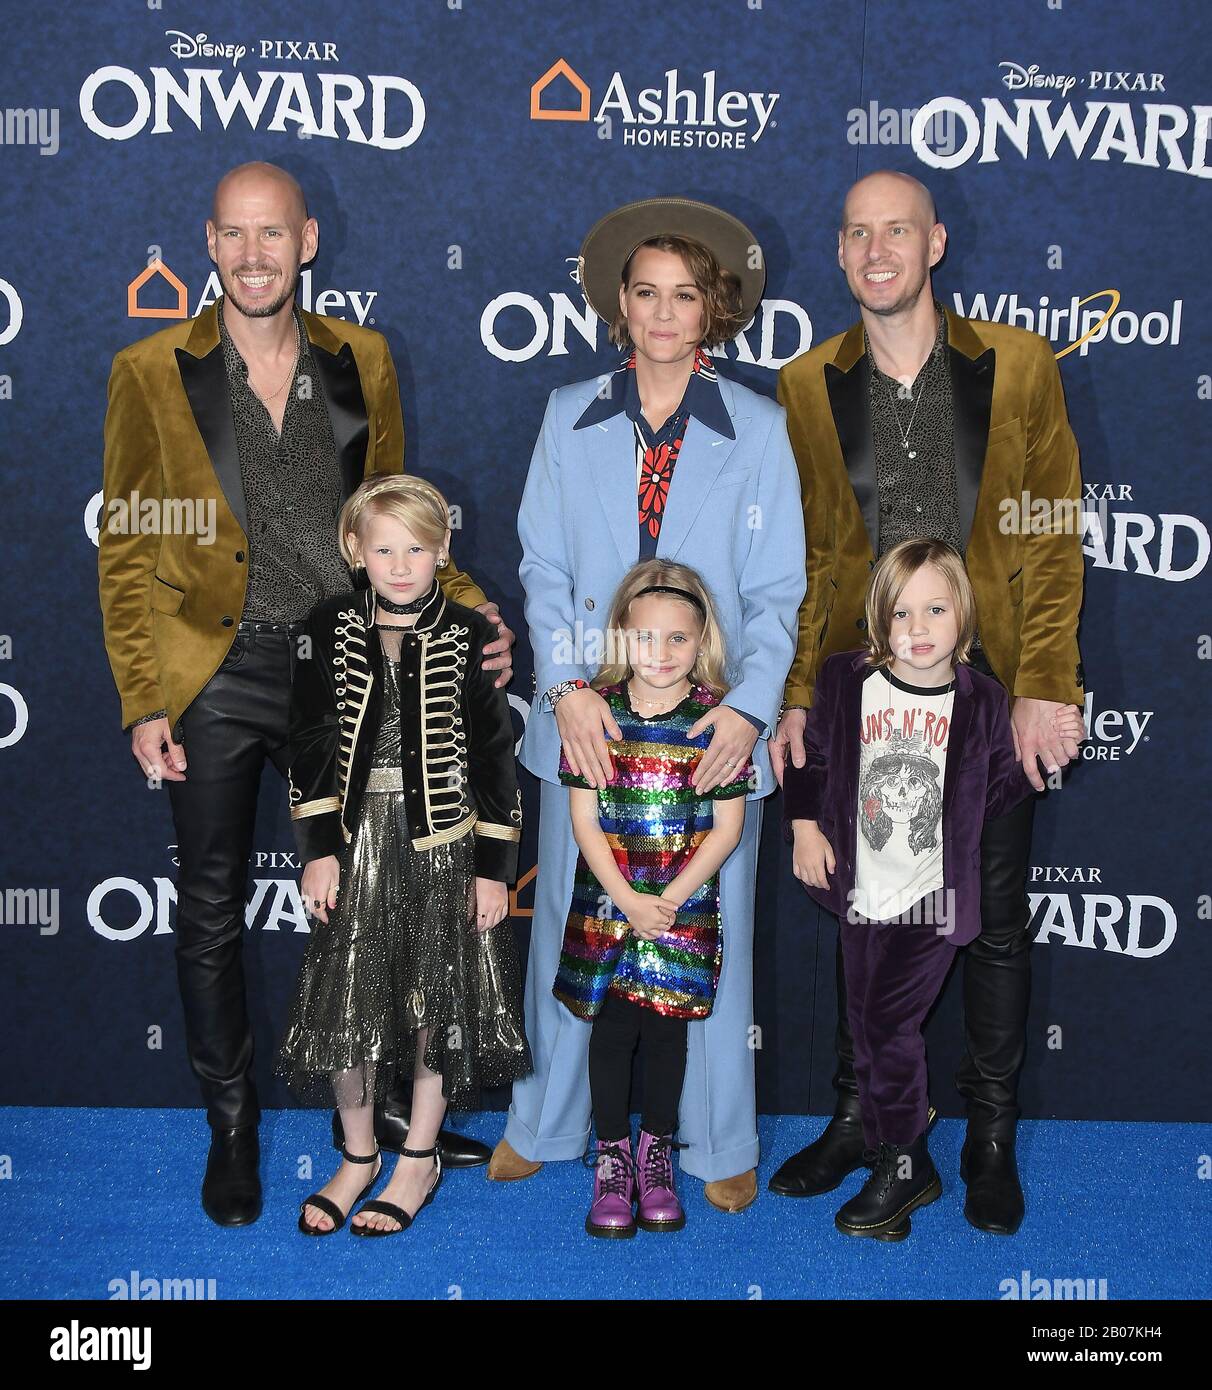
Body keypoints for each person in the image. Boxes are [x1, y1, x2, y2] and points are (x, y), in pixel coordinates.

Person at [97, 161, 514, 1227]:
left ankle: (388, 1131)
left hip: (352, 665)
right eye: (234, 235)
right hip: (218, 670)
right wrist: (146, 698)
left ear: (308, 241)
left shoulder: (359, 357)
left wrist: (471, 619)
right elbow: (130, 549)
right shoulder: (151, 369)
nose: (253, 255)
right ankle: (230, 1128)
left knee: (400, 893)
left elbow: (396, 518)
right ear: (208, 242)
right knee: (210, 907)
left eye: (271, 235)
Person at [769, 170, 1086, 1234]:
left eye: (895, 228)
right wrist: (801, 696)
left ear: (936, 241)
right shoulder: (808, 381)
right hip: (866, 698)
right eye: (856, 231)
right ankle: (865, 1120)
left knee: (990, 927)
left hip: (988, 693)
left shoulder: (1021, 365)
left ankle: (989, 1138)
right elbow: (817, 554)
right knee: (868, 917)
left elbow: (1048, 531)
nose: (875, 248)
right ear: (842, 250)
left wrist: (1046, 684)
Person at [493, 198, 805, 1214]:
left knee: (706, 933)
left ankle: (717, 1142)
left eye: (684, 296)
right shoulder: (566, 412)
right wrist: (568, 689)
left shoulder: (757, 427)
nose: (664, 314)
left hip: (708, 730)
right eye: (645, 294)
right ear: (618, 306)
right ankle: (544, 1124)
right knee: (567, 933)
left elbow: (777, 592)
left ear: (712, 310)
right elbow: (541, 564)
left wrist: (750, 710)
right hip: (589, 715)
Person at [782, 540, 1084, 1240]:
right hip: (862, 893)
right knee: (867, 1026)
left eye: (935, 610)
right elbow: (814, 755)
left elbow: (997, 791)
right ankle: (889, 1158)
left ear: (966, 617)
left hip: (931, 900)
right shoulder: (847, 679)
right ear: (877, 621)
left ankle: (906, 1163)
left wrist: (1046, 753)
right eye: (900, 613)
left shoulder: (982, 702)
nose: (917, 629)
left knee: (888, 1027)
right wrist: (803, 826)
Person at [277, 475, 530, 1235]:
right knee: (345, 1003)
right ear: (354, 551)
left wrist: (494, 870)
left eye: (416, 549)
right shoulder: (321, 626)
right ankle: (357, 1157)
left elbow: (493, 757)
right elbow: (311, 744)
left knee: (437, 1005)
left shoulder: (471, 631)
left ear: (443, 549)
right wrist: (318, 851)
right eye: (382, 548)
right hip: (354, 849)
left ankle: (417, 1157)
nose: (398, 564)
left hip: (444, 848)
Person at [554, 562, 751, 1237]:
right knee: (610, 1035)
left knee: (667, 1035)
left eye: (678, 640)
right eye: (646, 639)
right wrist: (626, 899)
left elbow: (727, 828)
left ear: (701, 644)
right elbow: (583, 821)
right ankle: (611, 1156)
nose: (661, 654)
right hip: (608, 905)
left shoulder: (716, 723)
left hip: (681, 910)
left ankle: (656, 1153)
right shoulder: (594, 716)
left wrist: (665, 901)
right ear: (620, 639)